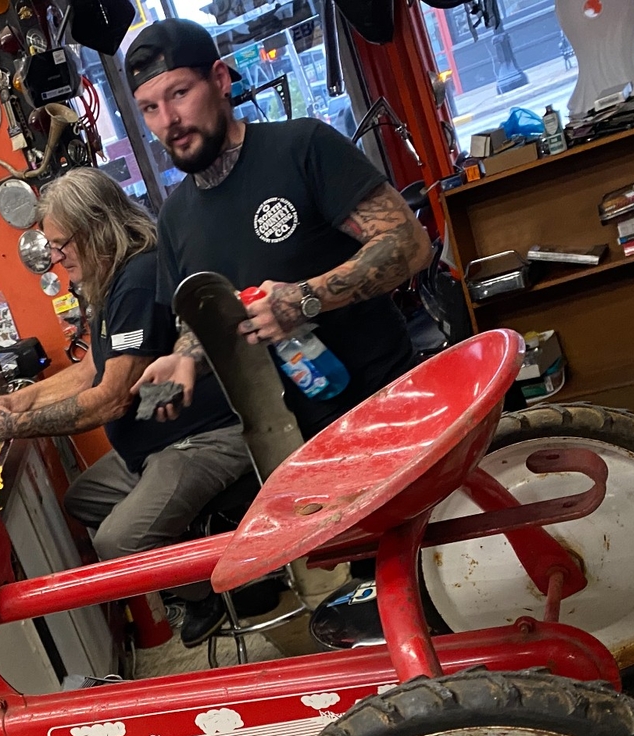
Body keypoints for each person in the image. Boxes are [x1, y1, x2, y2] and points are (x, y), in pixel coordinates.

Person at [0, 168, 250, 646]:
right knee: (84, 499)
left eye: (60, 244)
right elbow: (94, 364)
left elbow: (110, 398)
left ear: (96, 229)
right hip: (154, 440)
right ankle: (196, 556)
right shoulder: (111, 280)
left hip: (200, 438)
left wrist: (14, 425)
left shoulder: (137, 278)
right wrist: (14, 399)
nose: (54, 258)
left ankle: (213, 593)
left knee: (117, 541)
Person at [126, 19, 433, 441]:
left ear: (219, 81)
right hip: (291, 441)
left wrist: (304, 300)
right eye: (150, 108)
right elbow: (198, 323)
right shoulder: (175, 217)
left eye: (179, 93)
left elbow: (409, 244)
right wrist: (184, 359)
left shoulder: (302, 147)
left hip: (388, 404)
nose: (169, 120)